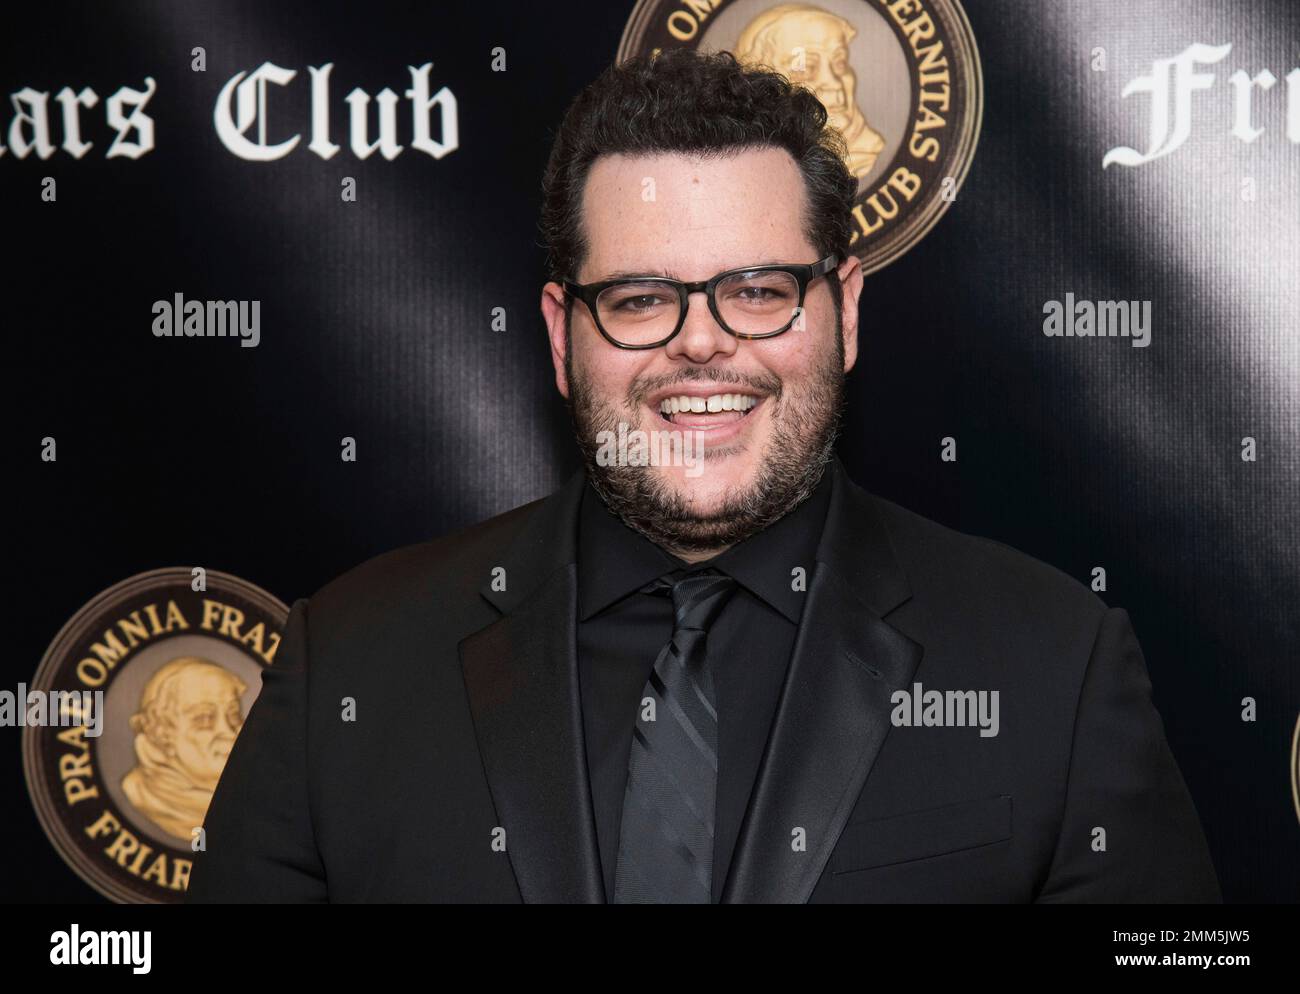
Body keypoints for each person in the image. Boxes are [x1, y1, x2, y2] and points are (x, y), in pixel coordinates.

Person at [186, 49, 1219, 903]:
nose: (702, 346)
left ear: (844, 310)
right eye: (640, 299)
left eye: (758, 289)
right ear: (560, 334)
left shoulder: (1054, 664)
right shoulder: (350, 664)